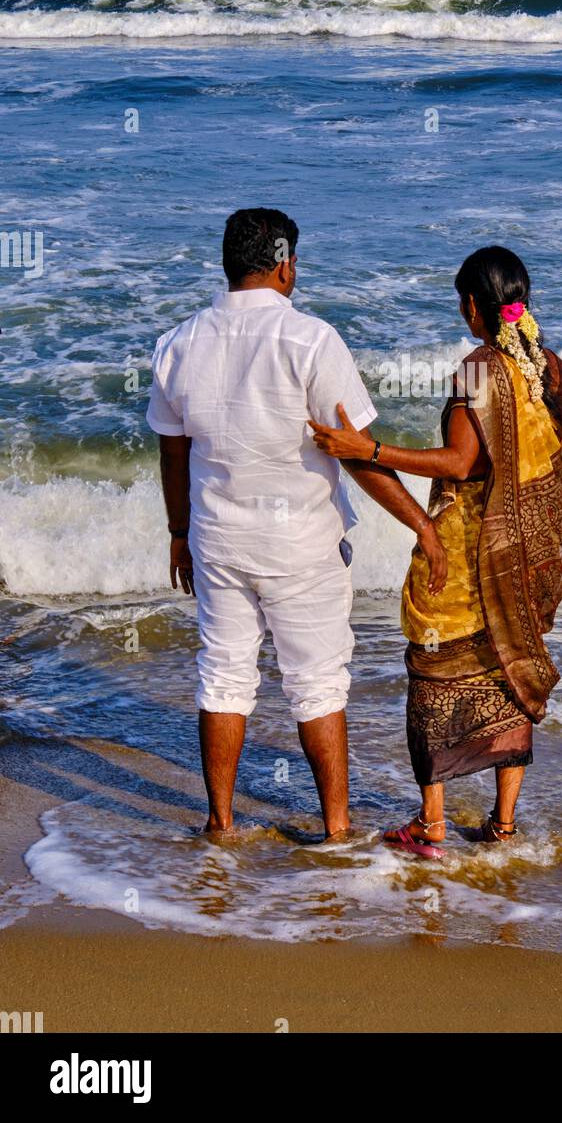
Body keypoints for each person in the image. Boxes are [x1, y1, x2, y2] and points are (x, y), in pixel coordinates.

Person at [146, 208, 446, 840]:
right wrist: (421, 523)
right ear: (283, 263)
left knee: (223, 673)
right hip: (302, 545)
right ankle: (336, 826)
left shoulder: (179, 342)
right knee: (316, 684)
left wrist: (179, 533)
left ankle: (221, 822)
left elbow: (173, 452)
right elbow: (356, 451)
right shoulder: (311, 340)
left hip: (216, 540)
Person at [310, 245, 562, 857]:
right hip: (525, 545)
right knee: (508, 665)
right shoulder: (547, 366)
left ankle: (431, 826)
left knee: (435, 668)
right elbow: (557, 419)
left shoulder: (478, 371)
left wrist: (367, 451)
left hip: (470, 547)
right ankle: (503, 825)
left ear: (469, 305)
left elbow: (460, 463)